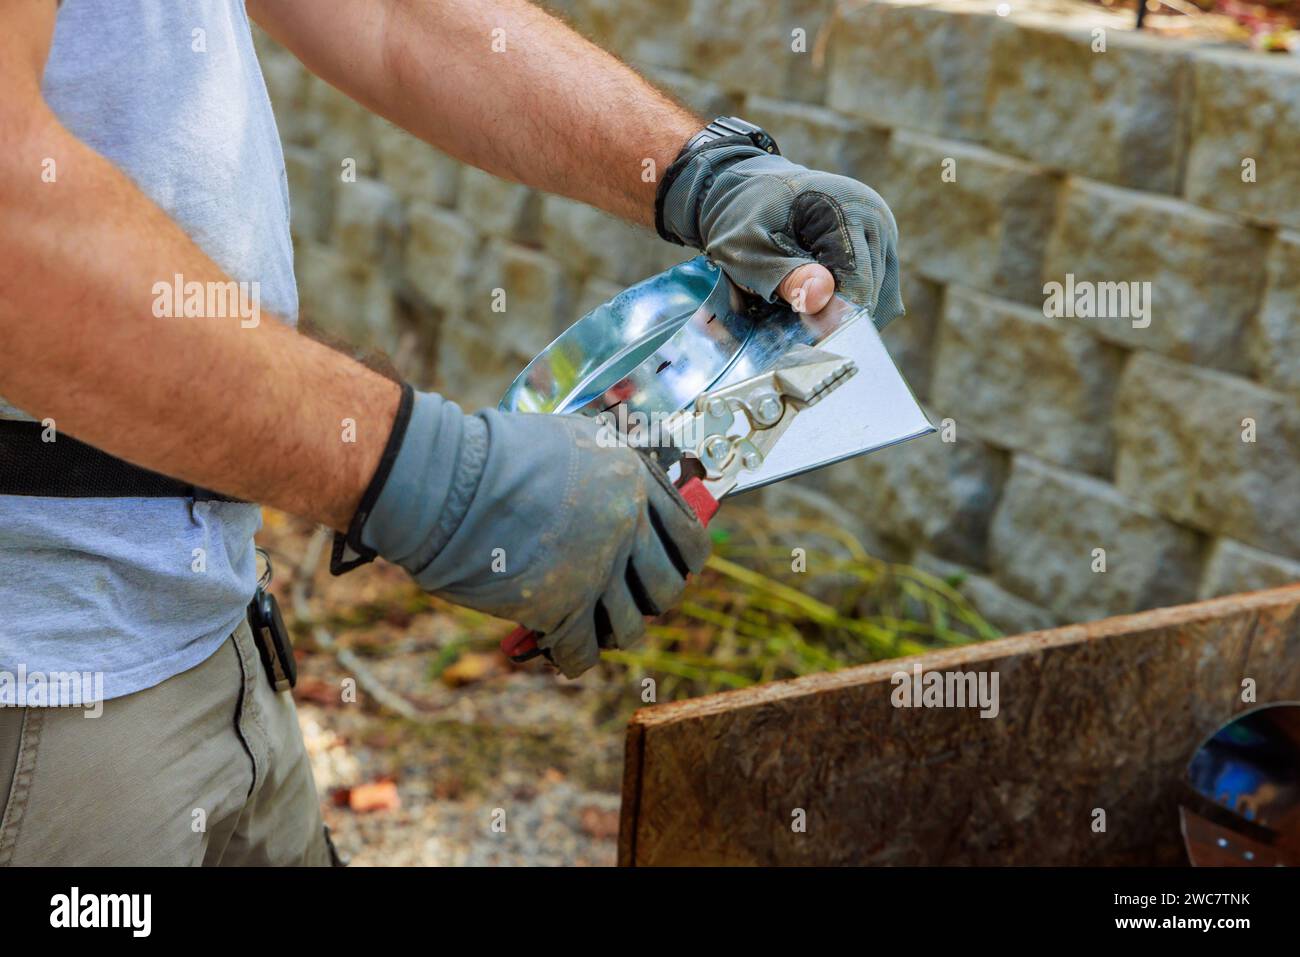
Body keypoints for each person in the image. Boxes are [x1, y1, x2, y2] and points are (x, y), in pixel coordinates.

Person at [0, 0, 903, 865]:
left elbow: (390, 14)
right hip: (43, 685)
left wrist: (697, 171)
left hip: (210, 621)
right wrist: (427, 476)